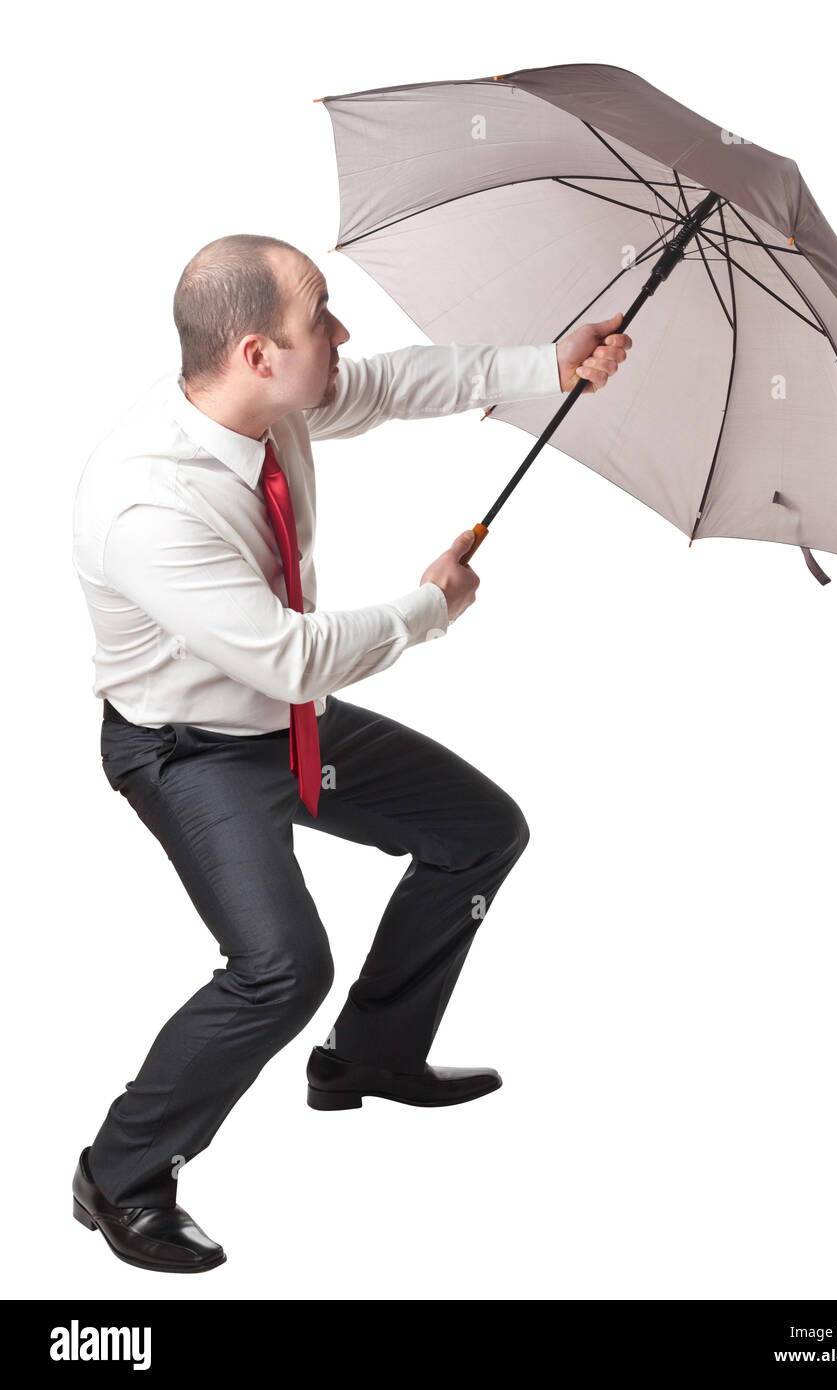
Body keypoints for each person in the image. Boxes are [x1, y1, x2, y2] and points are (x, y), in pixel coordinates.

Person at [70, 233, 632, 1273]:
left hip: (284, 720)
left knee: (477, 833)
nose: (341, 332)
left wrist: (543, 365)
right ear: (254, 353)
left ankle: (368, 1055)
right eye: (319, 316)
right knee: (281, 968)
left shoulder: (268, 400)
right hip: (190, 752)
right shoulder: (145, 503)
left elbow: (386, 382)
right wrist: (432, 607)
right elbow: (290, 659)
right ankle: (119, 1170)